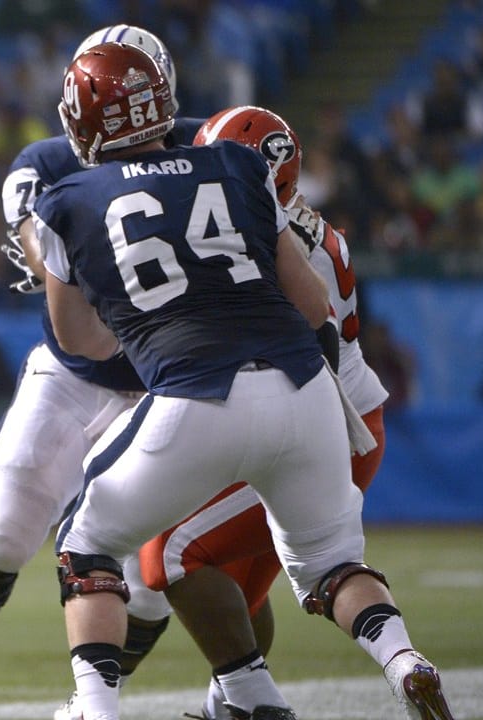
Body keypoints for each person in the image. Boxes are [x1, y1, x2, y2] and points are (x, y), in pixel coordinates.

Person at [36, 42, 454, 720]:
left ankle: (95, 707)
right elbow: (312, 307)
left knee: (87, 545)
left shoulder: (66, 201)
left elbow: (77, 340)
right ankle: (402, 660)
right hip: (304, 390)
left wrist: (139, 335)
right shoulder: (238, 167)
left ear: (84, 121)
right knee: (331, 565)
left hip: (196, 394)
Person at [0, 25, 201, 720]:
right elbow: (35, 240)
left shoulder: (210, 151)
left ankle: (96, 699)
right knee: (2, 530)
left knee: (152, 578)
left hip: (172, 382)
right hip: (74, 372)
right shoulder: (48, 162)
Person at [133, 104, 391, 719]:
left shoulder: (262, 238)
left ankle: (257, 705)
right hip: (336, 421)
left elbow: (299, 345)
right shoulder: (307, 230)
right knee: (243, 597)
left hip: (316, 427)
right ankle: (236, 706)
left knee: (170, 553)